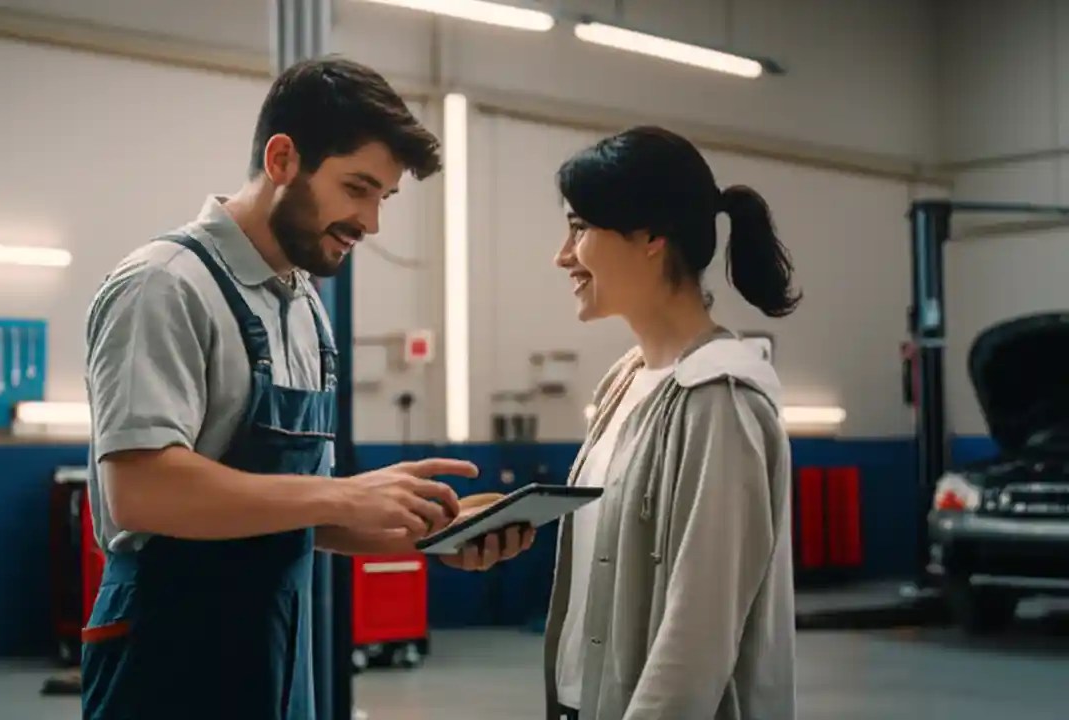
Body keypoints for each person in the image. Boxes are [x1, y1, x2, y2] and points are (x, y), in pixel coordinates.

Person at [80, 56, 534, 720]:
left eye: (384, 197)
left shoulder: (303, 307)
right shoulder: (165, 285)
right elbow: (142, 490)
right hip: (166, 656)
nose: (371, 223)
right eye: (357, 188)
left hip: (278, 652)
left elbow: (294, 518)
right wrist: (350, 492)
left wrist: (429, 535)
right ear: (283, 158)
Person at [543, 126, 800, 720]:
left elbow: (697, 635)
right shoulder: (626, 383)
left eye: (580, 229)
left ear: (652, 235)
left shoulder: (718, 400)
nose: (562, 255)